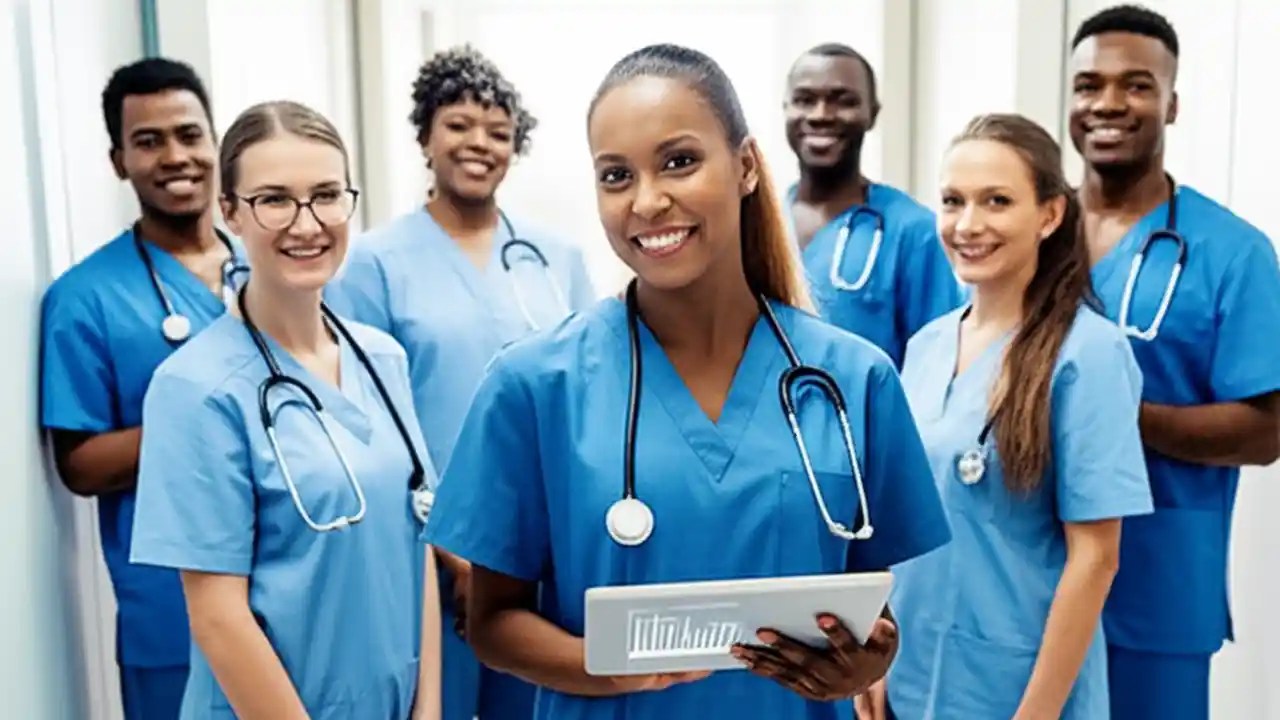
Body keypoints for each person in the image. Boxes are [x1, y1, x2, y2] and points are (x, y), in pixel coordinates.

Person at [420, 43, 952, 720]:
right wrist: (608, 672)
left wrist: (869, 662)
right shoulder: (533, 384)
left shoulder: (853, 380)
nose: (648, 200)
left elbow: (875, 610)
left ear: (747, 167)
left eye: (679, 161)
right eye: (616, 176)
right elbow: (493, 622)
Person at [128, 100, 442, 720]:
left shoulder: (382, 358)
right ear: (230, 213)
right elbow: (218, 618)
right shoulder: (195, 388)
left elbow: (418, 540)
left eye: (327, 195)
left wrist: (428, 709)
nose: (307, 224)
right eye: (274, 199)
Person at [325, 44, 595, 720]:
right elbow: (365, 422)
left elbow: (591, 398)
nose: (479, 144)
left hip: (546, 547)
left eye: (498, 132)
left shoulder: (555, 258)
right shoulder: (374, 264)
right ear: (424, 135)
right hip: (428, 552)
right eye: (458, 125)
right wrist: (457, 557)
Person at [855, 113, 1154, 720]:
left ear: (1049, 215)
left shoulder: (1087, 354)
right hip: (912, 680)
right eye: (952, 201)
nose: (969, 224)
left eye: (997, 201)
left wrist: (1035, 715)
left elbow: (1097, 558)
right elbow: (900, 524)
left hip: (1019, 688)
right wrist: (876, 652)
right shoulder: (926, 347)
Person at [1068, 6, 1280, 718]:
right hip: (1029, 574)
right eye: (1089, 84)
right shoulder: (1029, 235)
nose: (1108, 103)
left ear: (1172, 103)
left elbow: (1267, 430)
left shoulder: (1234, 253)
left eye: (1136, 86)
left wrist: (1118, 419)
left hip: (1157, 581)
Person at [39, 57, 237, 719]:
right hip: (170, 611)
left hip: (296, 591)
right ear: (118, 161)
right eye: (148, 142)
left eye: (189, 134)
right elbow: (81, 465)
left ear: (215, 142)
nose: (175, 156)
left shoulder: (272, 270)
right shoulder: (85, 298)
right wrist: (203, 426)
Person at [783, 43, 962, 367]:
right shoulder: (752, 220)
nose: (821, 115)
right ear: (786, 108)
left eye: (844, 101)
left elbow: (938, 363)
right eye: (805, 100)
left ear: (872, 113)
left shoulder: (912, 231)